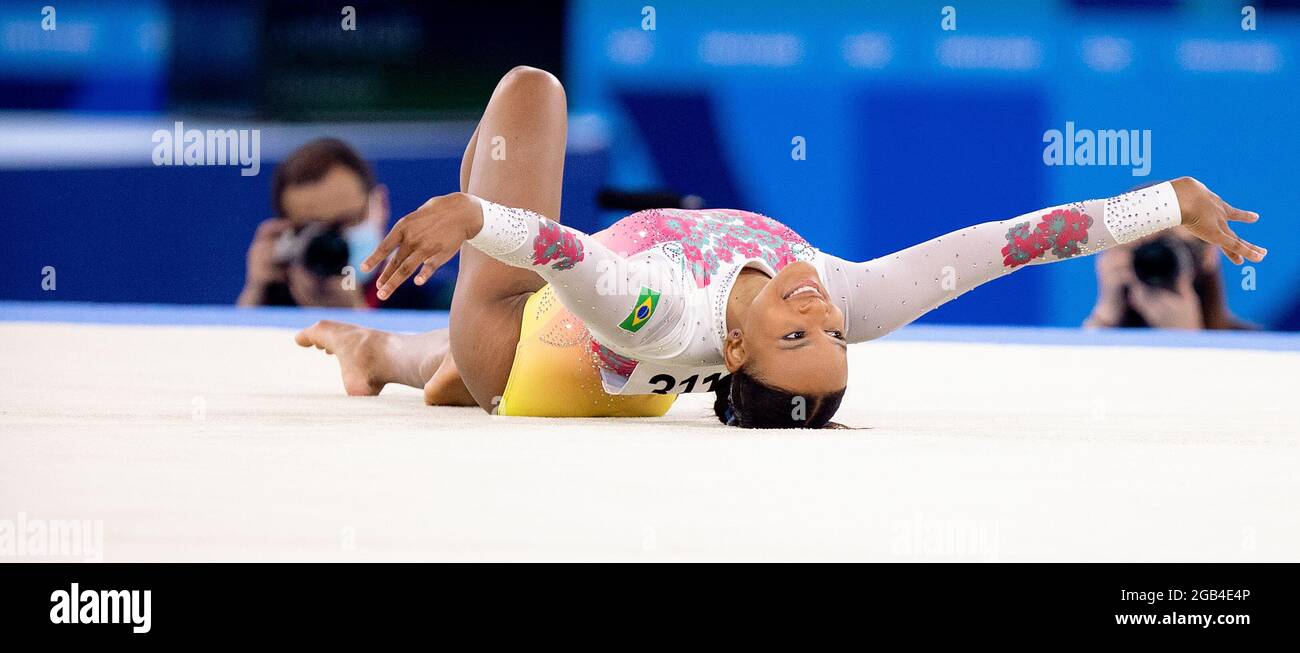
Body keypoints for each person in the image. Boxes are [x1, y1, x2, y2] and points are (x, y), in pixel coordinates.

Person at [296, 67, 1267, 428]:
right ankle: (378, 352)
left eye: (797, 337)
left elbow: (556, 248)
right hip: (589, 365)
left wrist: (472, 216)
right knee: (434, 356)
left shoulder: (660, 312)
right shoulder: (846, 293)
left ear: (733, 351)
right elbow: (1009, 244)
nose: (820, 314)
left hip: (520, 349)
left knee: (529, 96)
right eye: (831, 334)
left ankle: (450, 363)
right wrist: (1163, 202)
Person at [238, 138, 390, 309]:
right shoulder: (276, 296)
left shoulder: (409, 291)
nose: (331, 243)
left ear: (380, 205)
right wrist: (255, 295)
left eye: (346, 221)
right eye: (311, 228)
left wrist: (354, 314)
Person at [1084, 226, 1255, 330]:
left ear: (1208, 254)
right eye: (1139, 245)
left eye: (1169, 243)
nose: (1154, 257)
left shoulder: (1252, 349)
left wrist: (1187, 338)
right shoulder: (1102, 343)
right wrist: (1105, 317)